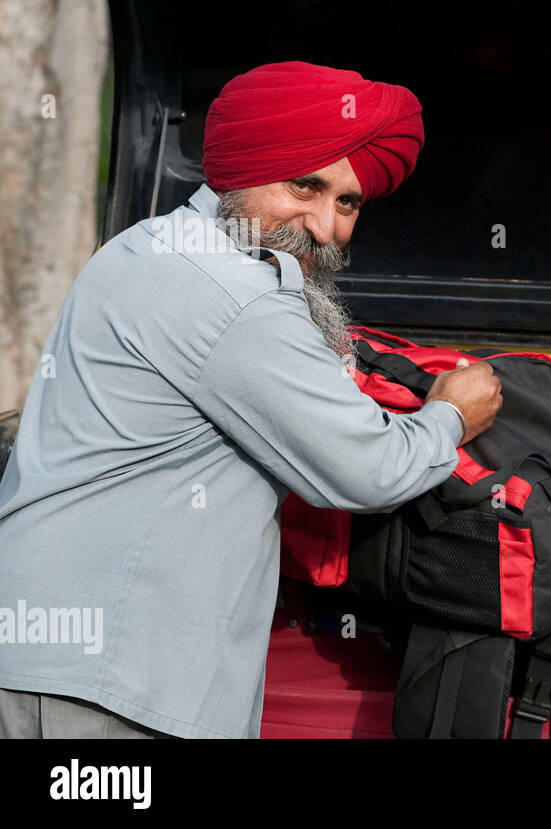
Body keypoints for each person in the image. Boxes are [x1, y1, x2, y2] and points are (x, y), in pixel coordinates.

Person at [0, 61, 502, 738]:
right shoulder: (236, 293)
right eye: (306, 186)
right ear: (241, 167)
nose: (325, 226)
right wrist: (450, 414)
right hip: (110, 686)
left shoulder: (140, 244)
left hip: (40, 655)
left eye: (348, 202)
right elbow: (371, 468)